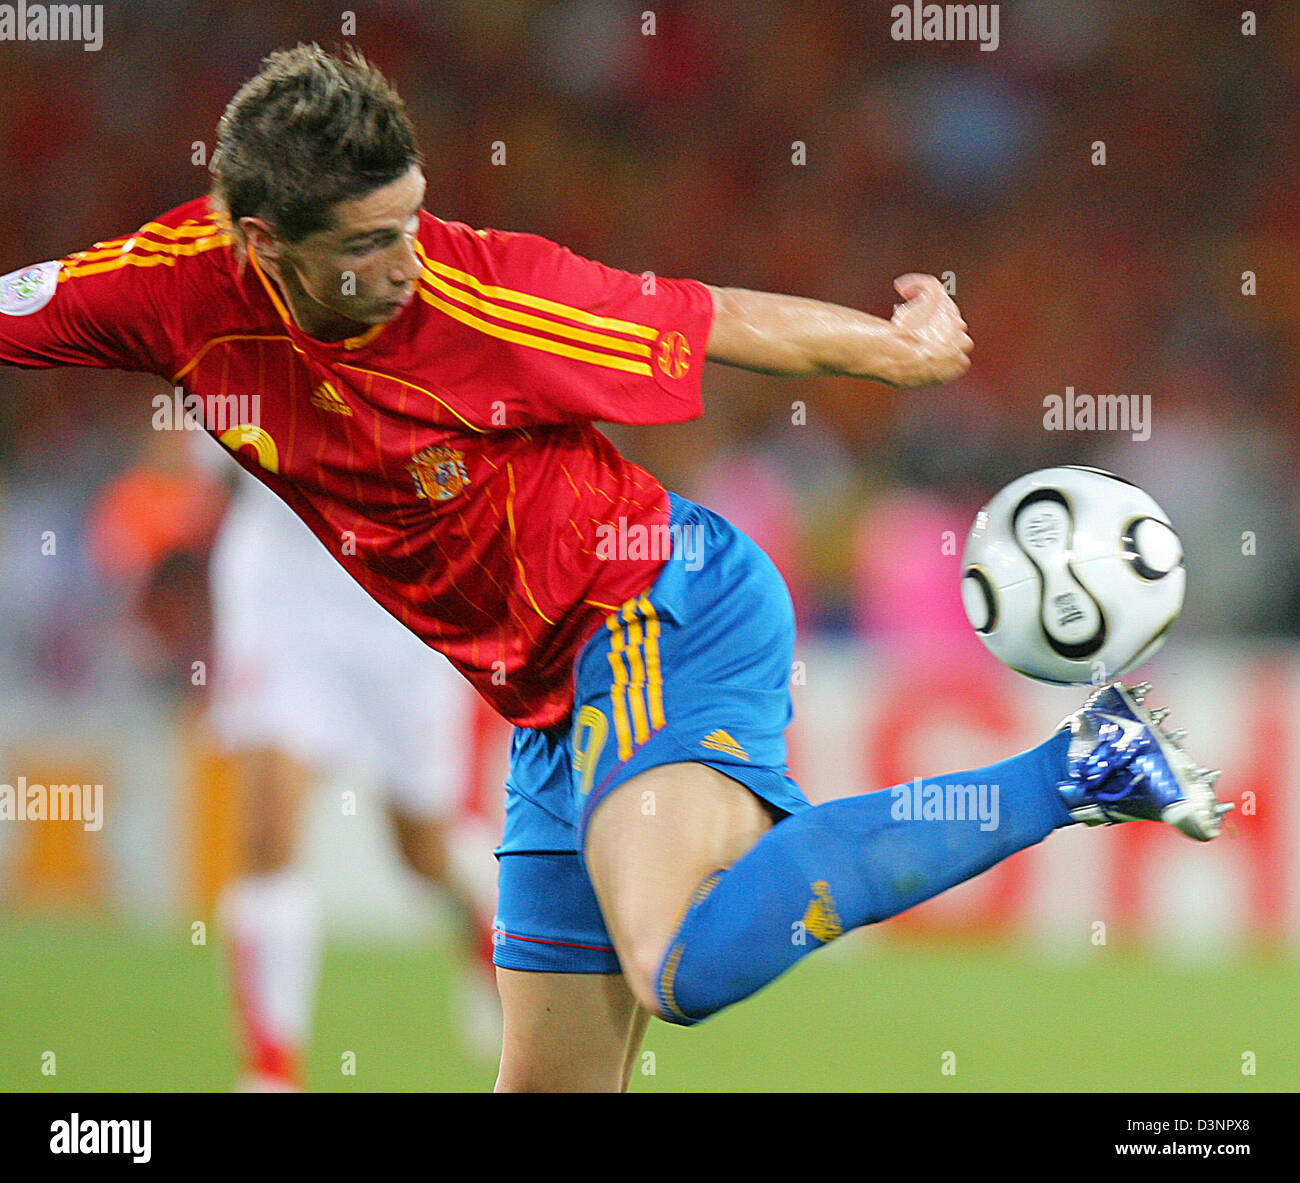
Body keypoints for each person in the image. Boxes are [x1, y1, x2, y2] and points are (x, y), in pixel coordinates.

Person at [0, 45, 1229, 1092]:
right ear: (264, 243)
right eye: (371, 242)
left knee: (678, 961)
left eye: (414, 218)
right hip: (544, 696)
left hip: (652, 611)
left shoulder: (485, 292)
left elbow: (713, 315)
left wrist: (894, 353)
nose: (408, 258)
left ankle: (1084, 761)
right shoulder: (167, 292)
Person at [208, 467, 498, 1089]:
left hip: (401, 599)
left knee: (421, 851)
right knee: (266, 832)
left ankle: (482, 915)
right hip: (285, 588)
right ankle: (270, 1073)